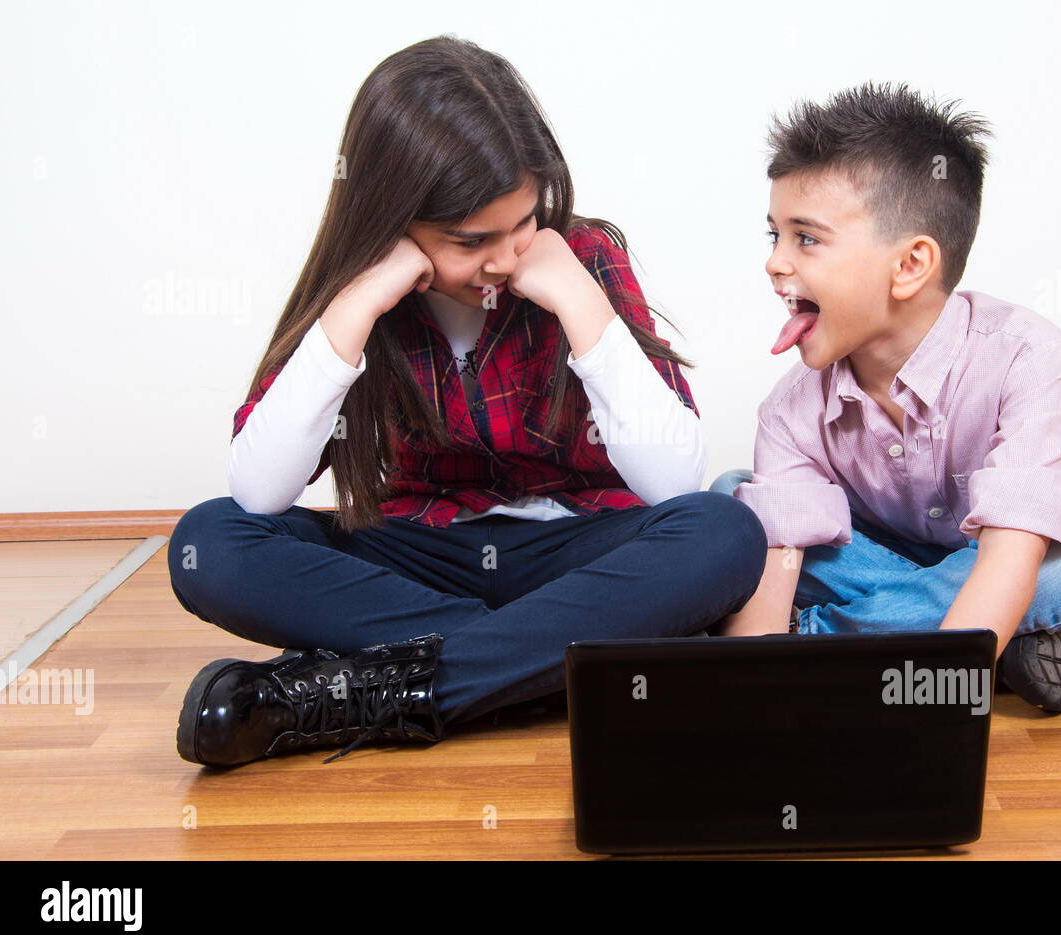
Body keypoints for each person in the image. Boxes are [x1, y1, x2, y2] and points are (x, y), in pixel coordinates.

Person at [168, 35, 767, 768]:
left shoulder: (585, 259)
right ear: (392, 216)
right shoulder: (361, 289)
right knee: (211, 543)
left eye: (523, 223)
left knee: (723, 532)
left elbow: (673, 482)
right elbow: (259, 490)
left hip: (575, 552)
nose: (507, 257)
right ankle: (545, 660)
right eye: (471, 239)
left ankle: (357, 690)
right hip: (420, 554)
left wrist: (581, 299)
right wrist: (357, 306)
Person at [711, 82, 1061, 714]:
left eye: (807, 238)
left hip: (1031, 547)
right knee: (729, 501)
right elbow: (777, 571)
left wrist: (939, 696)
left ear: (910, 266)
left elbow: (1014, 547)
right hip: (889, 551)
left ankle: (828, 641)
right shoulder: (792, 407)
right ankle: (1006, 638)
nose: (775, 262)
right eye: (774, 236)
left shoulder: (1025, 352)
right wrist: (752, 678)